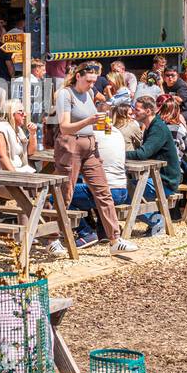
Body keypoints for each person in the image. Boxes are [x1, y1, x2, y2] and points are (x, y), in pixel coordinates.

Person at [54, 65, 136, 254]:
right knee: (65, 193)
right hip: (70, 145)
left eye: (94, 80)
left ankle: (115, 239)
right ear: (77, 77)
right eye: (88, 80)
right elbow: (65, 127)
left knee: (103, 190)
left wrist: (104, 119)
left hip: (90, 144)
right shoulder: (65, 95)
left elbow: (104, 107)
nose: (92, 84)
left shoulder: (90, 92)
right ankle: (53, 237)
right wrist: (89, 121)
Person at [126, 95, 180, 237]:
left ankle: (156, 221)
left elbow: (143, 154)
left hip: (165, 181)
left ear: (148, 111)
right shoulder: (152, 126)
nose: (133, 112)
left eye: (137, 109)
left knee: (126, 191)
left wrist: (119, 154)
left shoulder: (158, 128)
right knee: (124, 186)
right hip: (158, 177)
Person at [0, 99, 37, 174]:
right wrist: (15, 178)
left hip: (19, 170)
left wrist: (33, 134)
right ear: (11, 113)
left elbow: (30, 152)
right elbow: (2, 157)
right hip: (3, 174)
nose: (25, 115)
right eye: (21, 111)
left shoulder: (17, 130)